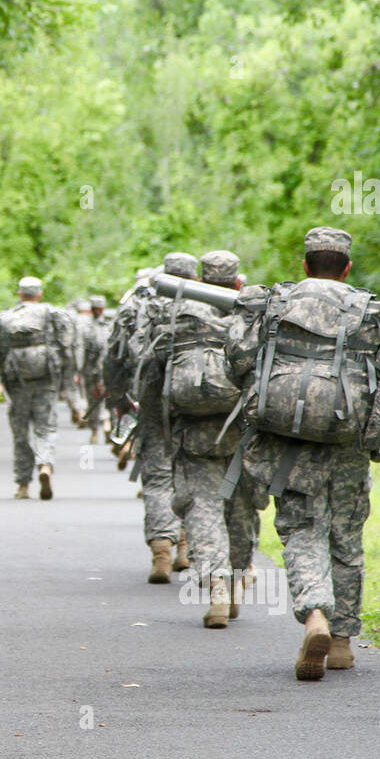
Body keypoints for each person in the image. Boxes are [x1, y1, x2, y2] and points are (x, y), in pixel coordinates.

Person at [223, 228, 380, 678]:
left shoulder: (274, 303)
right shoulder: (374, 312)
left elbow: (236, 361)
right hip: (348, 441)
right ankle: (344, 643)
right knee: (347, 536)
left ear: (305, 264)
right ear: (346, 267)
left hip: (287, 441)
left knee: (303, 528)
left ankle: (315, 615)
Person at [145, 250, 263, 628]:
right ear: (236, 280)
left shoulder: (178, 318)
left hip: (193, 433)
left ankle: (215, 586)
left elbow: (150, 376)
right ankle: (239, 576)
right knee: (241, 510)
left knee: (202, 508)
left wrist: (154, 429)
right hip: (243, 433)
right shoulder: (253, 316)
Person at [104, 254, 194, 583]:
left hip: (153, 398)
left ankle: (161, 551)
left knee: (157, 476)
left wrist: (117, 400)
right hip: (198, 402)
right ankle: (186, 546)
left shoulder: (138, 304)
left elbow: (114, 355)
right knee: (192, 471)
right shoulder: (212, 301)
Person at [0, 277, 76, 500]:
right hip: (46, 379)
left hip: (17, 382)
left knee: (20, 432)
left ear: (20, 294)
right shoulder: (51, 313)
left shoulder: (4, 318)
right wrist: (67, 377)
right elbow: (67, 345)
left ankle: (23, 485)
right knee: (45, 427)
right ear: (39, 294)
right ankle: (45, 464)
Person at [80, 295, 109, 445]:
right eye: (95, 308)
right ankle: (95, 430)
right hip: (91, 370)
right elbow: (81, 351)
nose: (97, 311)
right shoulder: (87, 328)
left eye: (99, 308)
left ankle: (107, 427)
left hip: (106, 370)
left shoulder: (109, 326)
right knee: (94, 400)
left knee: (108, 400)